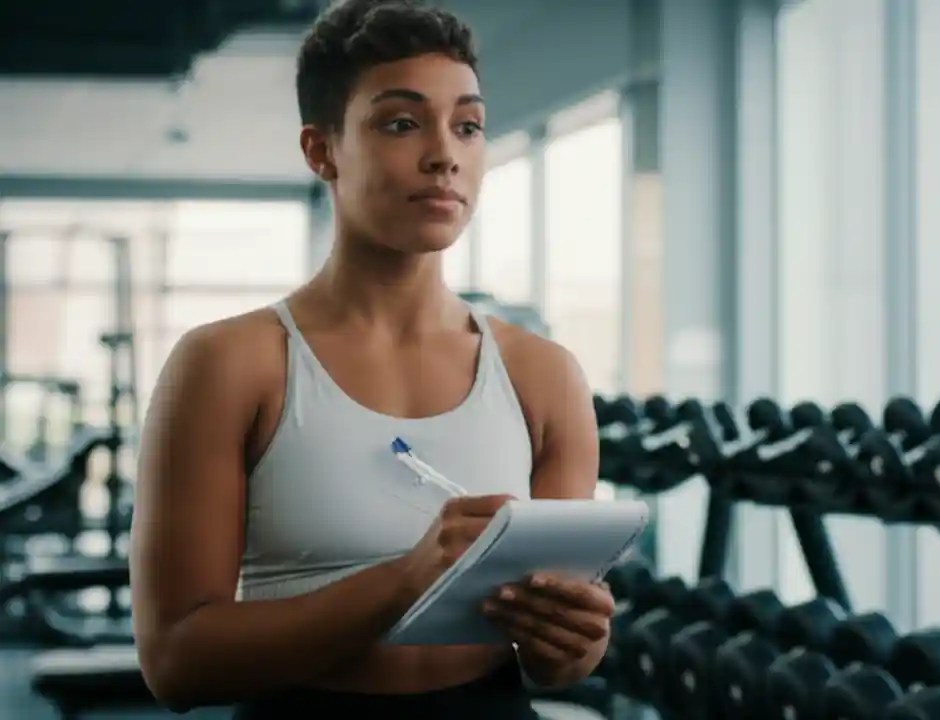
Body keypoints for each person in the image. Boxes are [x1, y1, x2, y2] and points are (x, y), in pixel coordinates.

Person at [127, 1, 612, 716]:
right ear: (322, 150)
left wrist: (575, 638)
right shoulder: (228, 364)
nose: (445, 153)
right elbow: (175, 662)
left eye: (468, 125)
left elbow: (558, 667)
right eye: (401, 122)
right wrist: (406, 579)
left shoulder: (545, 375)